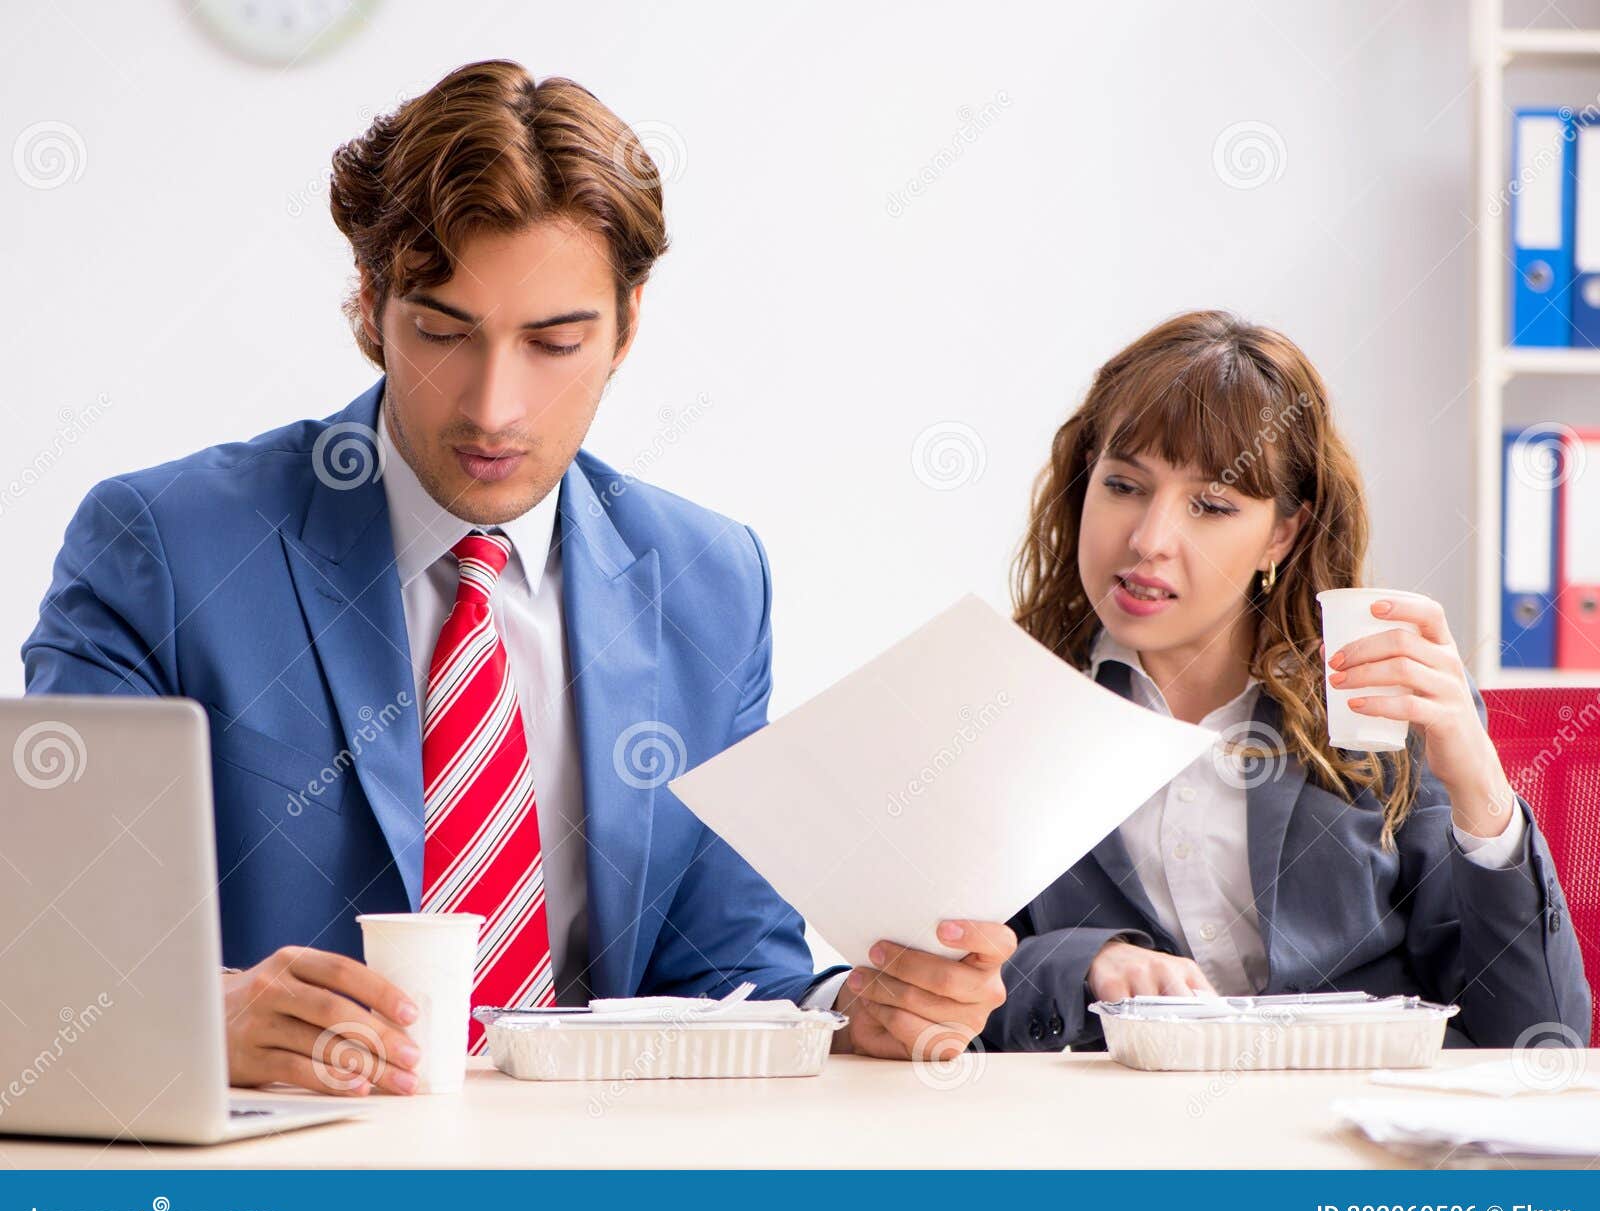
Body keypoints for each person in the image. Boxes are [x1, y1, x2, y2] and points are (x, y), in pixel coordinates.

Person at [23, 60, 1014, 1094]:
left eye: (554, 342)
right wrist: (197, 1011)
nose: (493, 407)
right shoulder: (165, 546)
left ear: (628, 326)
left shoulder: (708, 582)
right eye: (443, 333)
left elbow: (723, 969)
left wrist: (852, 1010)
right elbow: (52, 943)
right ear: (369, 309)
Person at [981, 310, 1589, 1052]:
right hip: (1117, 1144)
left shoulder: (1373, 698)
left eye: (1210, 505)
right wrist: (1084, 964)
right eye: (1124, 485)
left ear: (1282, 532)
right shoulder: (1009, 706)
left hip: (1352, 1136)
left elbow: (1540, 1039)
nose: (1148, 541)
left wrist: (1481, 791)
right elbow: (940, 1004)